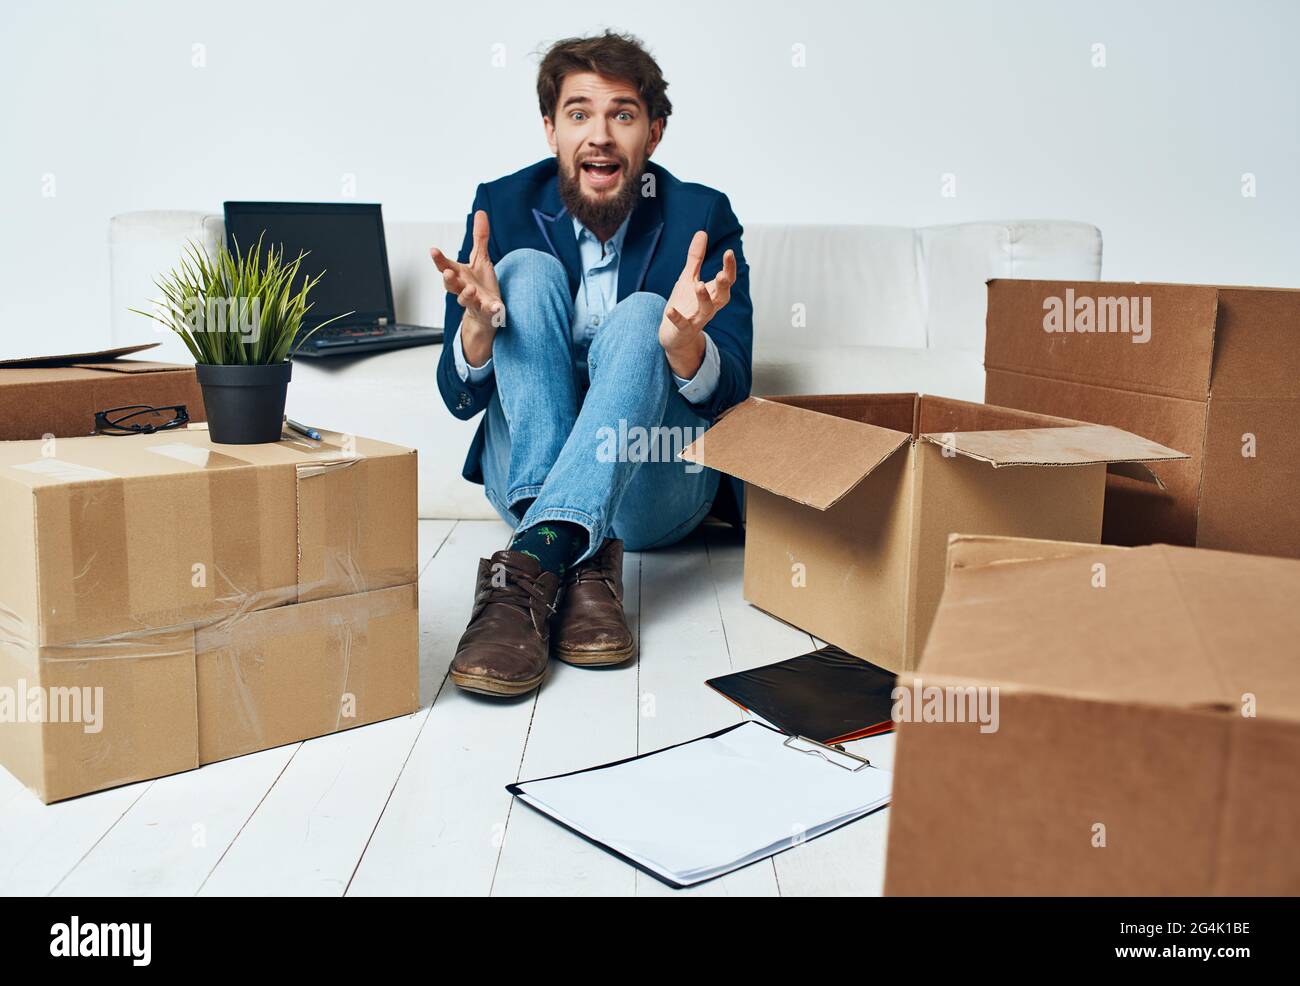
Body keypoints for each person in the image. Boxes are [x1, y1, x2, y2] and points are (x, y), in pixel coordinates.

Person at [431, 30, 752, 697]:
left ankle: (527, 567)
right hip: (523, 476)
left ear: (654, 133)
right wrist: (477, 326)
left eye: (622, 114)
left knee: (644, 316)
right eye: (579, 113)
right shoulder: (503, 205)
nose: (599, 134)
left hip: (652, 492)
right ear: (551, 129)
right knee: (520, 273)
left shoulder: (703, 216)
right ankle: (580, 565)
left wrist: (684, 343)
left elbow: (734, 390)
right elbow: (459, 398)